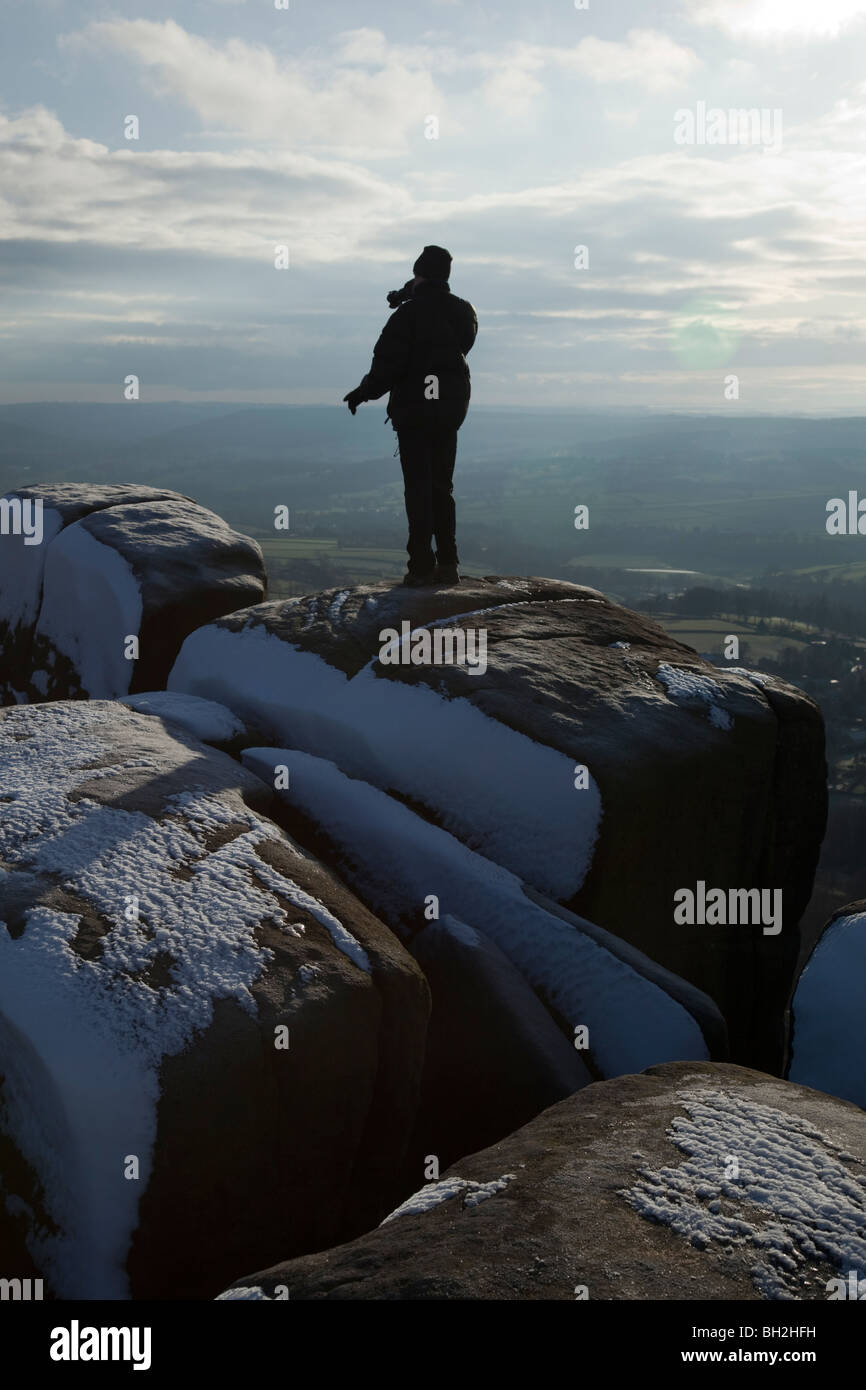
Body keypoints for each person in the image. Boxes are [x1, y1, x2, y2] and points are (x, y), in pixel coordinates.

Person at [343, 245, 478, 587]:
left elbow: (387, 365)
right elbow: (457, 343)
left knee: (418, 488)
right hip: (449, 409)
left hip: (416, 411)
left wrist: (364, 391)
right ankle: (448, 564)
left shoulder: (407, 315)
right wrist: (415, 295)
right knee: (441, 487)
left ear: (419, 274)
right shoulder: (464, 311)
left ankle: (420, 566)